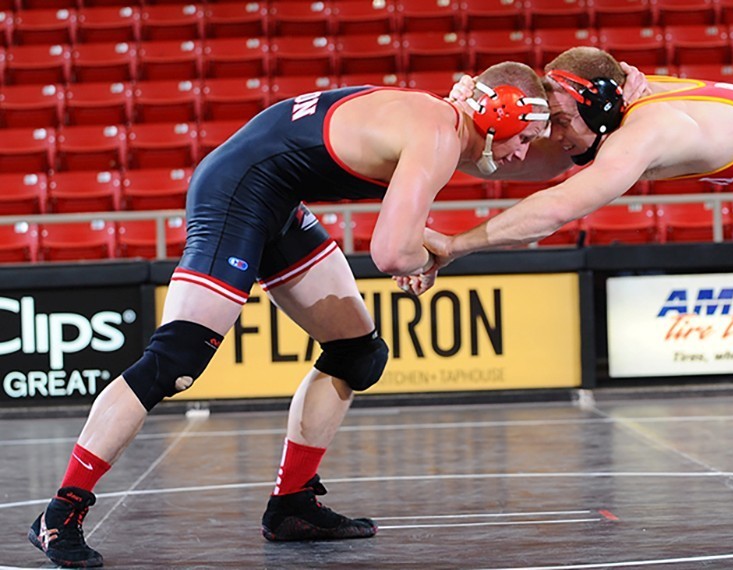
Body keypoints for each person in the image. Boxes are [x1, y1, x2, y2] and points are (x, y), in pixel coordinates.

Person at [26, 61, 557, 568]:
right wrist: (429, 258)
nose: (522, 153)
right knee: (177, 358)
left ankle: (292, 505)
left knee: (357, 353)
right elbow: (393, 253)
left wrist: (431, 250)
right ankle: (61, 511)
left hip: (274, 193)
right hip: (239, 190)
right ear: (500, 114)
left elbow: (405, 237)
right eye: (525, 138)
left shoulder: (437, 121)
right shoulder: (439, 134)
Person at [407, 47, 733, 537]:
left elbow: (556, 208)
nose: (555, 135)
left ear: (596, 108)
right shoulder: (619, 97)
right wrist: (467, 128)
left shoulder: (646, 128)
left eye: (563, 122)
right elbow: (531, 160)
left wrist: (454, 245)